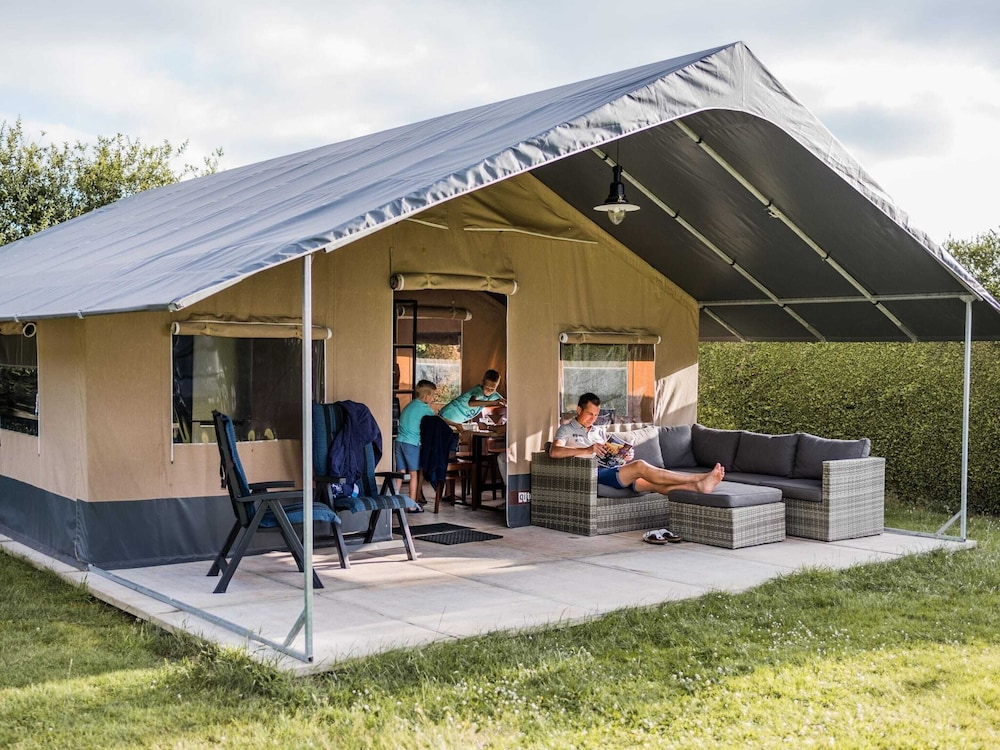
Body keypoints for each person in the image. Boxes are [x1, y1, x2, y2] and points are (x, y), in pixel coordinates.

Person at [550, 392, 725, 495]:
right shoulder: (565, 430)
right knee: (640, 465)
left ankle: (698, 487)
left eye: (596, 415)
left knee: (652, 484)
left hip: (610, 469)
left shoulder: (599, 431)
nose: (593, 419)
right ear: (579, 410)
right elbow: (554, 451)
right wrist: (587, 449)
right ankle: (698, 477)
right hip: (592, 473)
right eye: (589, 414)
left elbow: (609, 455)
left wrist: (623, 457)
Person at [394, 379, 437, 511]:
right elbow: (436, 422)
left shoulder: (409, 405)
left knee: (400, 473)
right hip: (412, 444)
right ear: (427, 396)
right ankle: (412, 505)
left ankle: (393, 503)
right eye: (433, 395)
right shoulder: (426, 410)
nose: (433, 398)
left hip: (399, 441)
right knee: (414, 474)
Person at [439, 369, 506, 426]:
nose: (489, 391)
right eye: (487, 387)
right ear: (483, 383)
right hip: (447, 415)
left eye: (492, 389)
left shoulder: (494, 395)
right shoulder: (478, 391)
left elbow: (505, 402)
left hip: (456, 422)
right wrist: (493, 402)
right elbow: (471, 403)